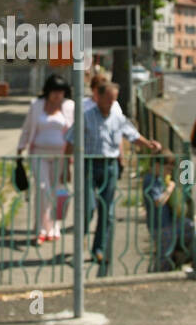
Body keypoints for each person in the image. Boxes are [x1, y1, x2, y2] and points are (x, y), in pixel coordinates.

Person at [64, 81, 161, 275]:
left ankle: (99, 248)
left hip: (110, 165)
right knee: (87, 207)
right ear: (98, 97)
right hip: (89, 165)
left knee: (107, 211)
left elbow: (132, 135)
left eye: (113, 100)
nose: (110, 104)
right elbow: (70, 141)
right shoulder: (85, 116)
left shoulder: (118, 118)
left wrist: (149, 145)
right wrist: (66, 165)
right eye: (107, 99)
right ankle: (78, 248)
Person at [17, 73, 75, 243]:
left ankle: (55, 225)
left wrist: (71, 157)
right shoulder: (36, 106)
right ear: (48, 91)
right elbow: (27, 128)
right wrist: (20, 148)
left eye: (61, 92)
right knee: (43, 189)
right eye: (55, 91)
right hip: (39, 154)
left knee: (59, 191)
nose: (58, 95)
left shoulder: (69, 106)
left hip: (61, 155)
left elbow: (74, 131)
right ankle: (41, 228)